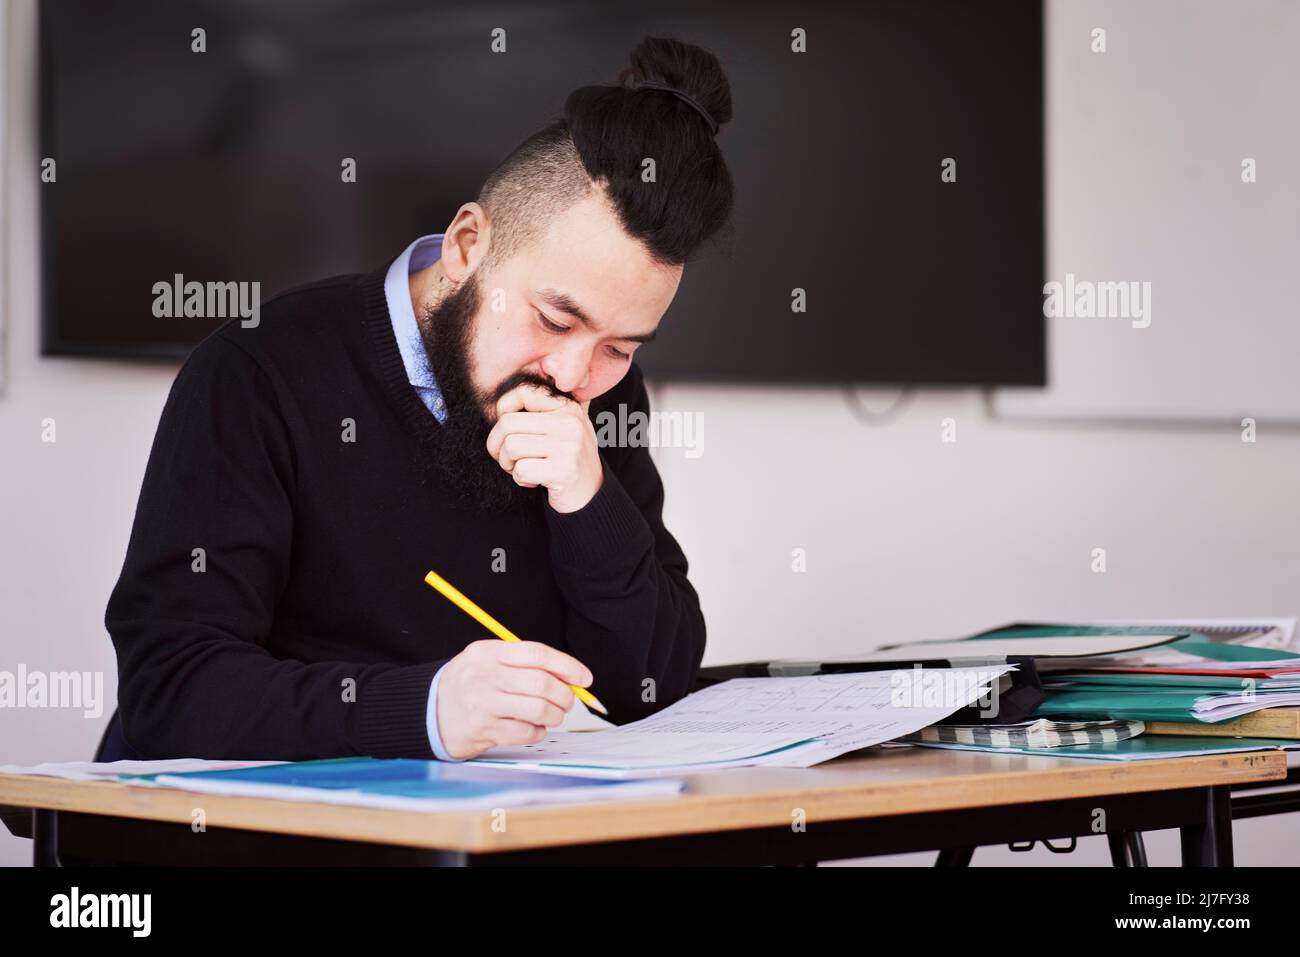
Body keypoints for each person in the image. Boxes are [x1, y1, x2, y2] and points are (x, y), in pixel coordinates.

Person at [100, 35, 735, 761]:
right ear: (467, 246)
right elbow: (170, 691)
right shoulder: (256, 372)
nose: (572, 374)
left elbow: (651, 689)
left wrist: (591, 505)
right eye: (555, 319)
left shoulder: (600, 396)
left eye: (622, 347)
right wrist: (426, 709)